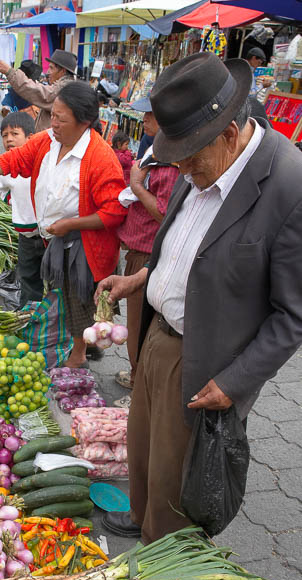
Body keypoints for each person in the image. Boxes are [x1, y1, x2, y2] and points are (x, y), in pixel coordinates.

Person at [96, 52, 302, 544]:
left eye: (191, 156)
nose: (183, 169)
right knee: (143, 446)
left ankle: (168, 562)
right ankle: (143, 517)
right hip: (156, 339)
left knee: (178, 473)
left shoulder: (289, 185)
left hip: (204, 362)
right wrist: (141, 279)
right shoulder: (202, 167)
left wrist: (235, 381)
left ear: (229, 133)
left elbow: (292, 316)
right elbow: (185, 247)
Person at [0, 82, 126, 368]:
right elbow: (11, 161)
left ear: (84, 122)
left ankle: (79, 356)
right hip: (58, 239)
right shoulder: (47, 141)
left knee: (82, 300)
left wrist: (71, 224)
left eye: (61, 118)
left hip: (88, 246)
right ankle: (75, 348)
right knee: (63, 297)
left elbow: (114, 212)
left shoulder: (100, 157)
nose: (53, 123)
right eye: (52, 115)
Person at [114, 95, 179, 400]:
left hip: (148, 254)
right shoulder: (156, 149)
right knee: (139, 323)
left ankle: (138, 388)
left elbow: (164, 212)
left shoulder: (169, 162)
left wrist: (138, 187)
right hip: (141, 250)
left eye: (150, 116)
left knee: (139, 326)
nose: (144, 121)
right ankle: (137, 377)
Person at [0, 112, 45, 306]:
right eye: (5, 135)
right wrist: (13, 202)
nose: (9, 139)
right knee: (28, 278)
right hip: (26, 236)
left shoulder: (41, 162)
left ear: (31, 138)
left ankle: (54, 318)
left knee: (55, 279)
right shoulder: (7, 165)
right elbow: (0, 187)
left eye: (15, 134)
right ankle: (29, 317)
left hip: (48, 235)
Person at [0, 49, 77, 132]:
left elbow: (36, 91)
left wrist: (9, 72)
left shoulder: (64, 89)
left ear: (62, 71)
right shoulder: (63, 87)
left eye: (51, 68)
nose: (48, 72)